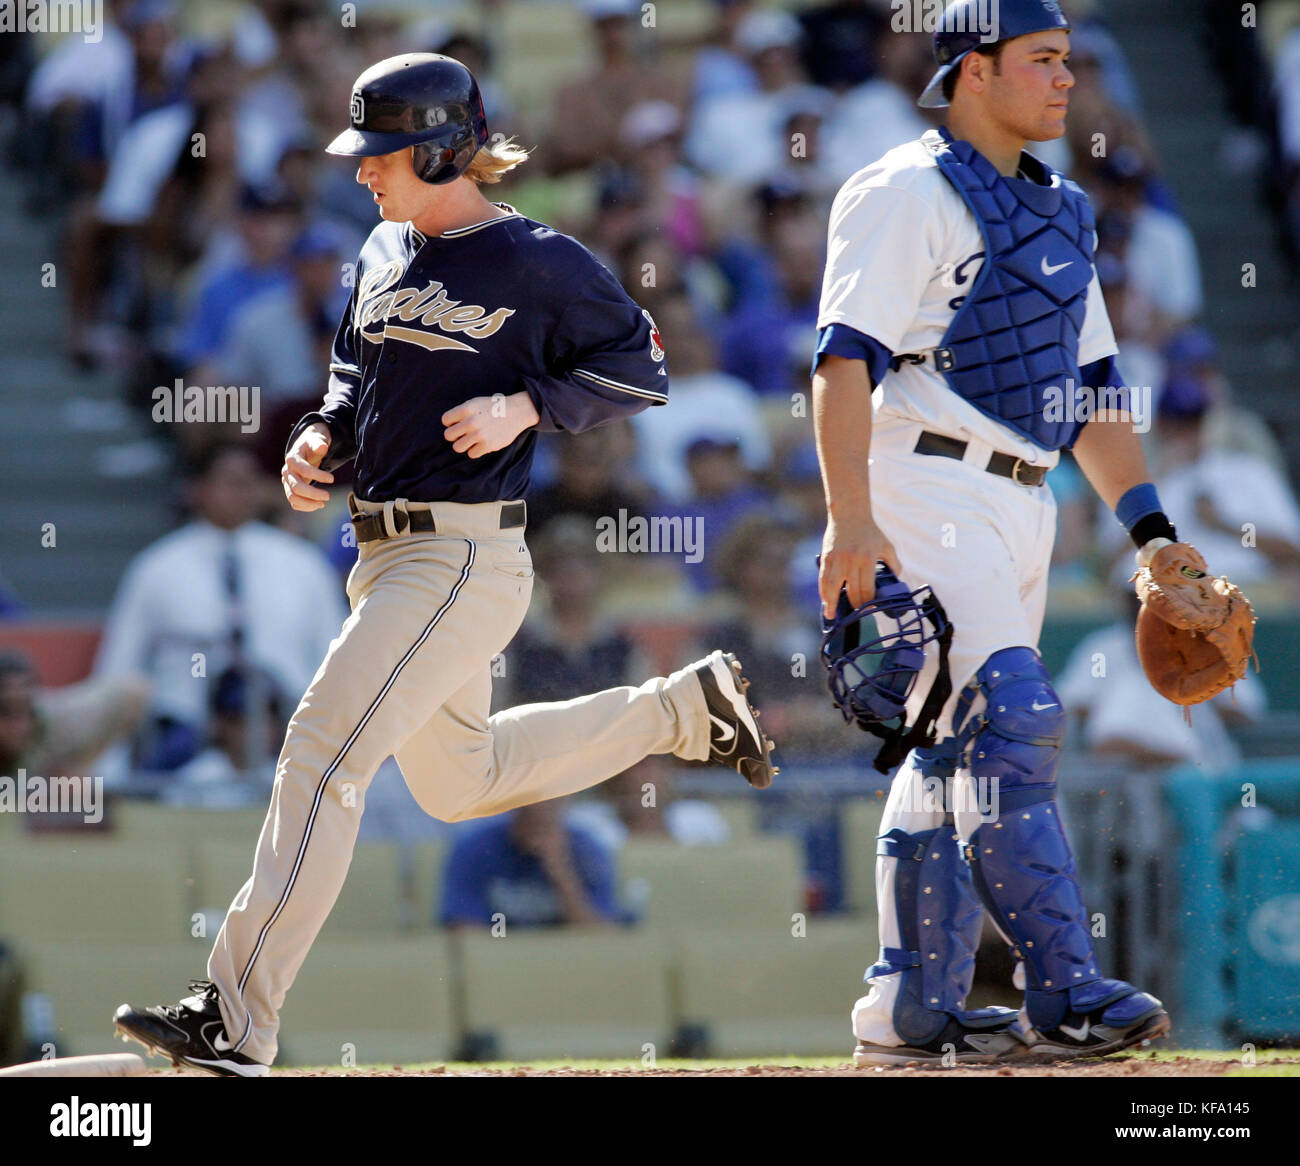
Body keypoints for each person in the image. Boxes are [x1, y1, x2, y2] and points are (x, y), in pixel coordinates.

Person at [113, 53, 777, 1076]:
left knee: (322, 751)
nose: (362, 170)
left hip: (460, 552)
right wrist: (323, 436)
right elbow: (354, 367)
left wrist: (529, 405)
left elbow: (639, 367)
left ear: (434, 144)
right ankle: (681, 712)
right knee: (463, 781)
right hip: (386, 552)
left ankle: (238, 1017)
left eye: (378, 151)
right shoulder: (382, 245)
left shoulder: (533, 258)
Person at [813, 1, 1196, 1065]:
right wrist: (851, 517)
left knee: (947, 747)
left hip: (1024, 496)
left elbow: (1096, 395)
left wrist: (1151, 533)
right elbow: (844, 361)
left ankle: (909, 1005)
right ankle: (1062, 986)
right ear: (971, 70)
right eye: (1041, 60)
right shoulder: (902, 190)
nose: (1065, 80)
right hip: (922, 477)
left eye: (1067, 60)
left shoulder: (1066, 208)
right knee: (1014, 713)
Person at [439, 800, 624, 930]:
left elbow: (603, 939)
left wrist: (561, 872)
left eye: (553, 791)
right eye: (534, 792)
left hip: (569, 969)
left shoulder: (588, 849)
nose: (541, 804)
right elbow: (464, 934)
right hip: (500, 970)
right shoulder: (475, 847)